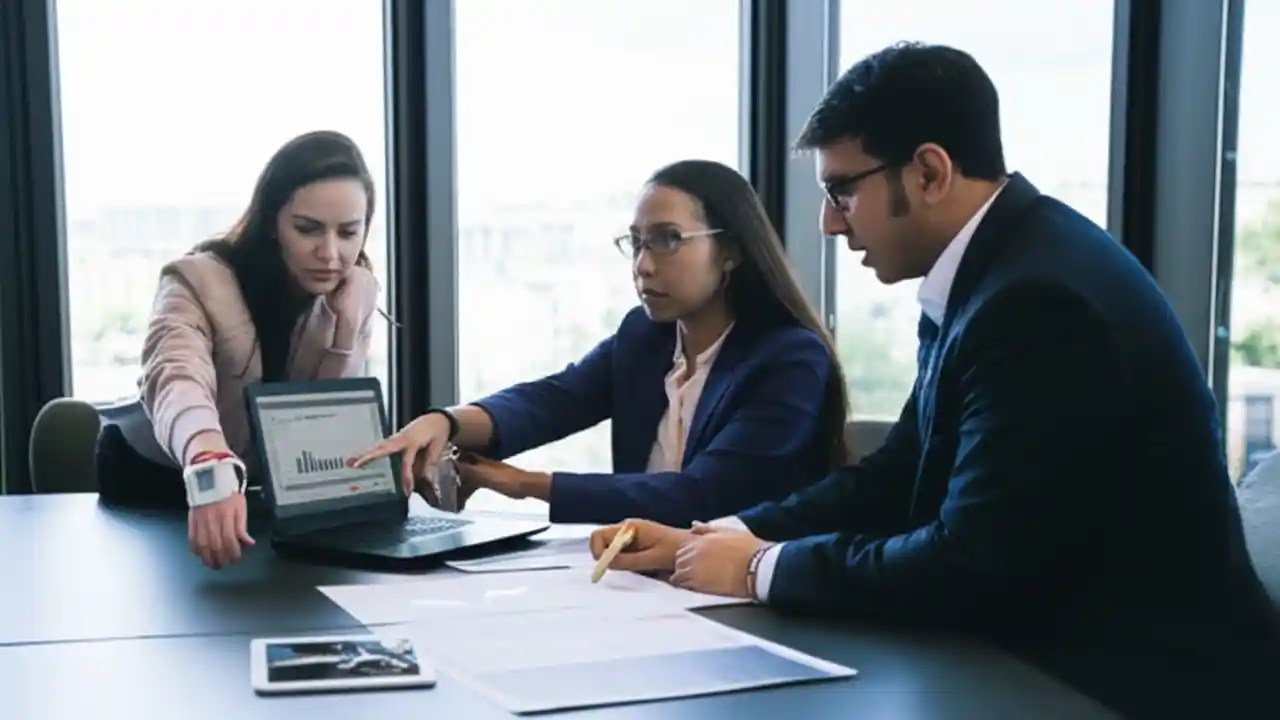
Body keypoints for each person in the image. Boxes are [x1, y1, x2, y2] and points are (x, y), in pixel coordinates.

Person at [587, 43, 1280, 719]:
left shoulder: (1040, 301)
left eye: (842, 190)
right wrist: (714, 537)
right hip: (1040, 654)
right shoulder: (989, 272)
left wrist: (757, 568)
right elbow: (897, 476)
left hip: (1133, 684)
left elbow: (969, 562)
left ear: (928, 172)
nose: (829, 222)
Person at [351, 160, 848, 527]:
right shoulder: (646, 337)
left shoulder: (789, 359)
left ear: (732, 251)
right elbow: (555, 400)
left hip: (743, 594)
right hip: (647, 580)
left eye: (668, 239)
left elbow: (702, 497)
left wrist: (522, 485)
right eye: (637, 242)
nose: (643, 265)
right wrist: (446, 421)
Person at [97, 130, 382, 570]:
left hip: (254, 488)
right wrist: (209, 463)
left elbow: (327, 421)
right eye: (307, 229)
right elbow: (176, 378)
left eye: (348, 232)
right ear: (272, 222)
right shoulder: (196, 279)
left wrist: (343, 330)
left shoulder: (354, 291)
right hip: (157, 476)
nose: (330, 253)